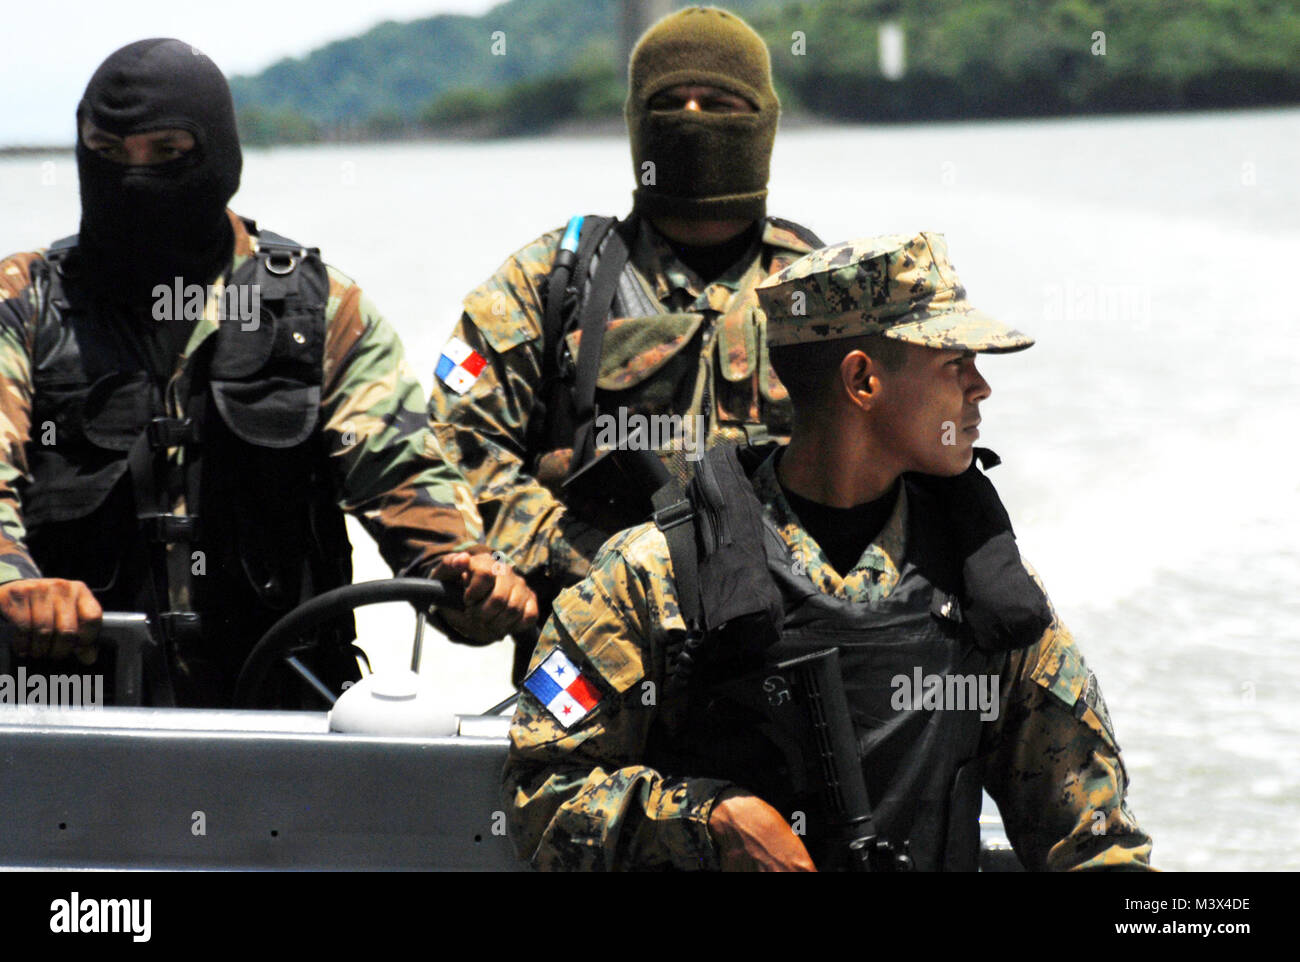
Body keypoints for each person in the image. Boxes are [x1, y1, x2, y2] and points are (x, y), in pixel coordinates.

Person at [502, 231, 1154, 871]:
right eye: (955, 363)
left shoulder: (984, 591)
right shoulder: (655, 573)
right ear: (863, 381)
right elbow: (541, 793)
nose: (980, 388)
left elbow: (1096, 843)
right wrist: (712, 825)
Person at [0, 39, 537, 708]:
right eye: (108, 154)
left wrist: (467, 575)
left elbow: (402, 473)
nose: (133, 179)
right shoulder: (23, 303)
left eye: (167, 153)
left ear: (219, 157)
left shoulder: (320, 309)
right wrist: (15, 580)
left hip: (280, 723)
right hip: (66, 723)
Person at [427, 7, 824, 679]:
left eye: (719, 102)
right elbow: (449, 442)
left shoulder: (824, 286)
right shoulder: (551, 280)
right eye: (669, 103)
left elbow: (899, 451)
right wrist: (568, 553)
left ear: (760, 120)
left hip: (794, 658)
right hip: (598, 663)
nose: (692, 117)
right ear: (638, 121)